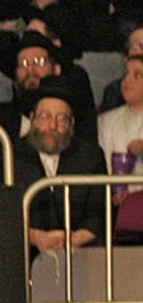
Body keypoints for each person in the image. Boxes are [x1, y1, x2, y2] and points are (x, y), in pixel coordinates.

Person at [22, 85, 109, 256]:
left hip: (79, 255)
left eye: (61, 118)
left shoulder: (89, 156)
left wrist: (72, 240)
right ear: (32, 119)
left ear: (71, 123)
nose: (53, 126)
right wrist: (34, 237)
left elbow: (100, 213)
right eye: (45, 117)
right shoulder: (10, 155)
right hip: (22, 254)